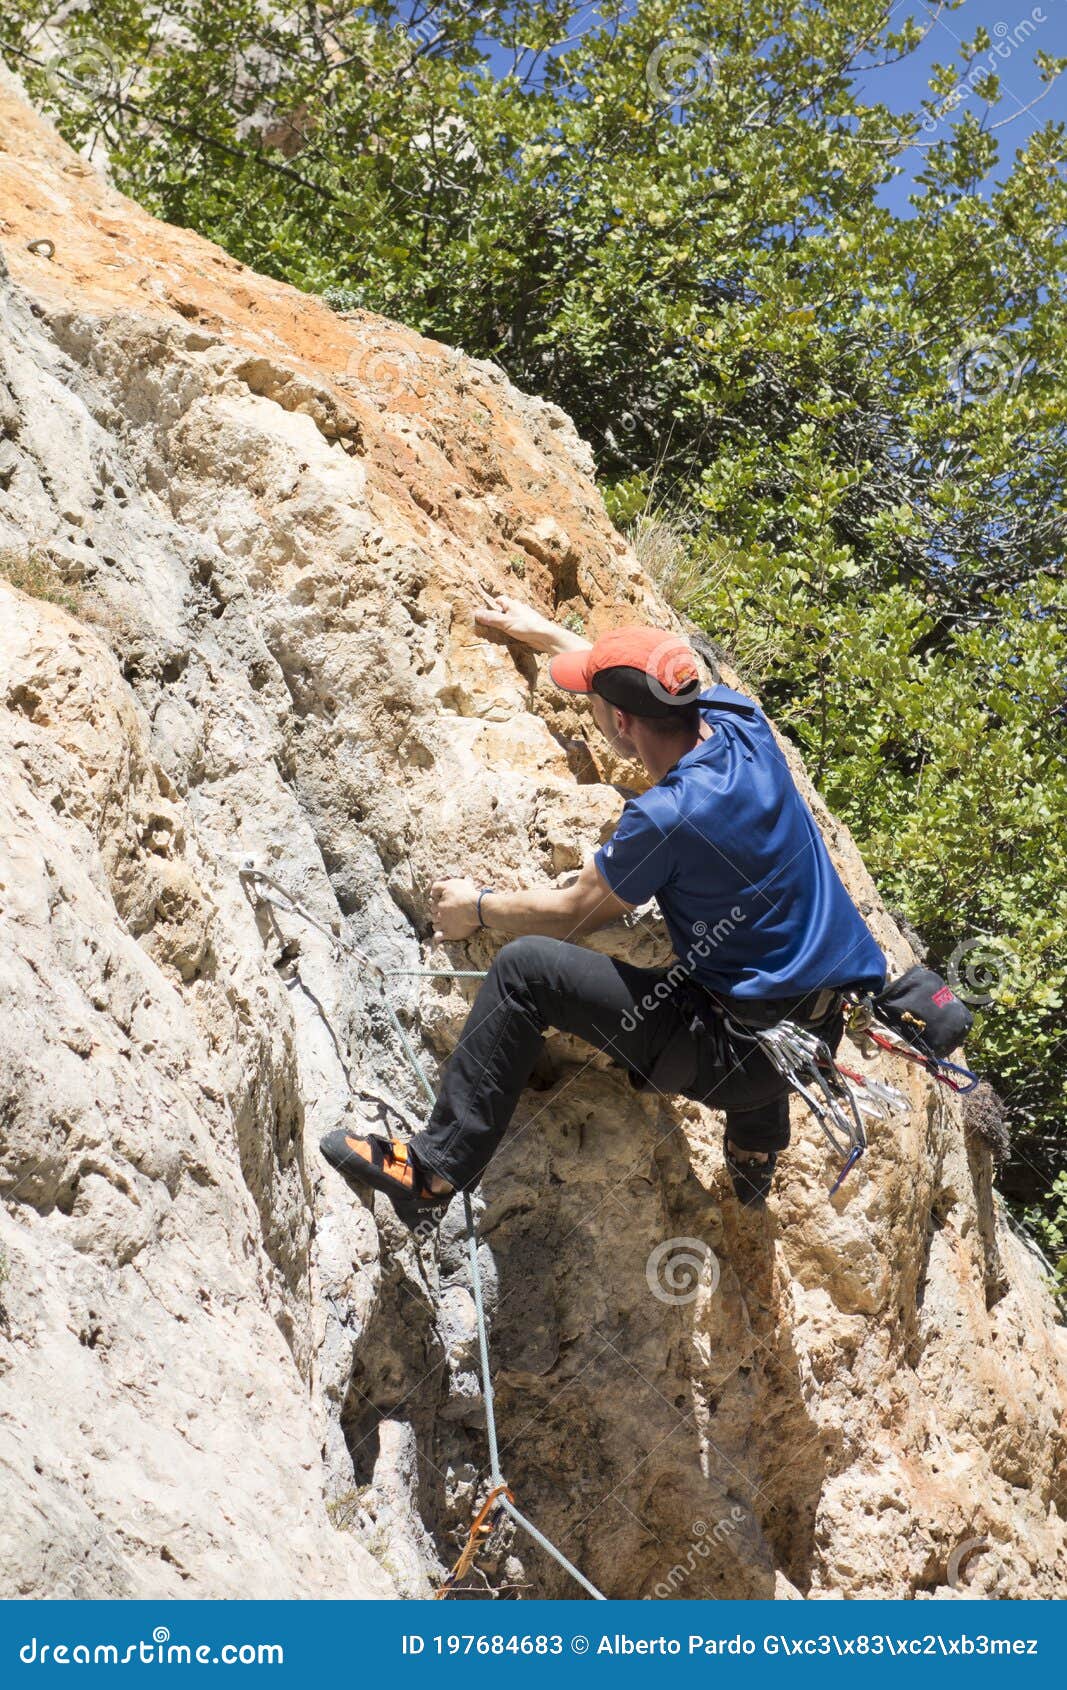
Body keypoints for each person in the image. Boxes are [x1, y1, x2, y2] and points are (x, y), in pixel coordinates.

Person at [321, 596, 885, 1220]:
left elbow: (576, 913)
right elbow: (641, 682)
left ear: (620, 724)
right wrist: (542, 634)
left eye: (590, 699)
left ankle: (434, 1169)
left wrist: (474, 907)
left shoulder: (667, 817)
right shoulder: (741, 721)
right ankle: (757, 1145)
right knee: (744, 947)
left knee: (524, 973)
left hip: (738, 1055)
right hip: (820, 1031)